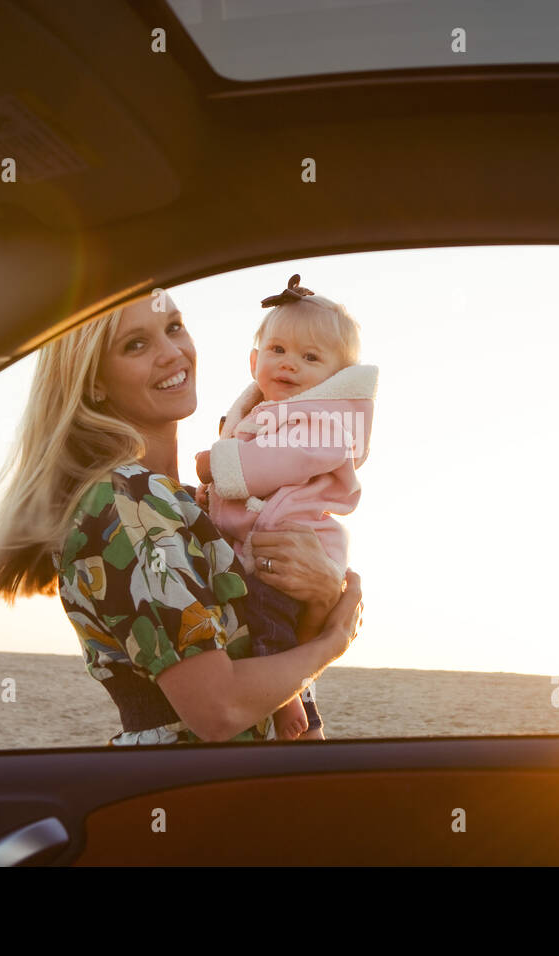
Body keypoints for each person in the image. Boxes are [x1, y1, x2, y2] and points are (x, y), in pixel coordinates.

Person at [0, 290, 363, 745]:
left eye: (173, 328)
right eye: (136, 344)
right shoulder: (129, 503)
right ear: (94, 382)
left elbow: (271, 657)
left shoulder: (184, 501)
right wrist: (332, 642)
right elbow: (217, 709)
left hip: (249, 782)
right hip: (194, 794)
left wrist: (322, 596)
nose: (172, 353)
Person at [195, 274, 377, 740]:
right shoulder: (261, 415)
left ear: (335, 380)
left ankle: (291, 701)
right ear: (255, 360)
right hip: (270, 540)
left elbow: (275, 465)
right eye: (277, 351)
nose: (289, 365)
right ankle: (300, 711)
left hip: (301, 542)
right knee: (263, 616)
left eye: (310, 357)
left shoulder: (320, 424)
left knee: (265, 614)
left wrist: (216, 464)